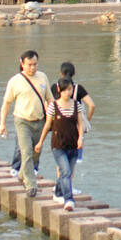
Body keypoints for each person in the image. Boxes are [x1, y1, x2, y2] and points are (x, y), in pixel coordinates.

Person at [0, 51, 50, 197]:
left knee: (36, 152)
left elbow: (49, 99)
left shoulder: (42, 77)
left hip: (40, 121)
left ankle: (22, 174)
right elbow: (7, 103)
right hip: (22, 121)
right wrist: (2, 123)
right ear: (22, 63)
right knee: (26, 152)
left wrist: (54, 119)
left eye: (35, 64)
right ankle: (31, 185)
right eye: (29, 65)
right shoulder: (15, 81)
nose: (32, 68)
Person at [35, 77, 84, 210]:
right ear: (59, 90)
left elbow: (80, 123)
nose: (68, 92)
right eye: (65, 90)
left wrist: (80, 138)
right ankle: (69, 200)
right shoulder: (53, 106)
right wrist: (40, 142)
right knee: (66, 171)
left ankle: (57, 192)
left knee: (66, 173)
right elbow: (47, 125)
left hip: (73, 144)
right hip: (58, 145)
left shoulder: (76, 105)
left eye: (70, 89)